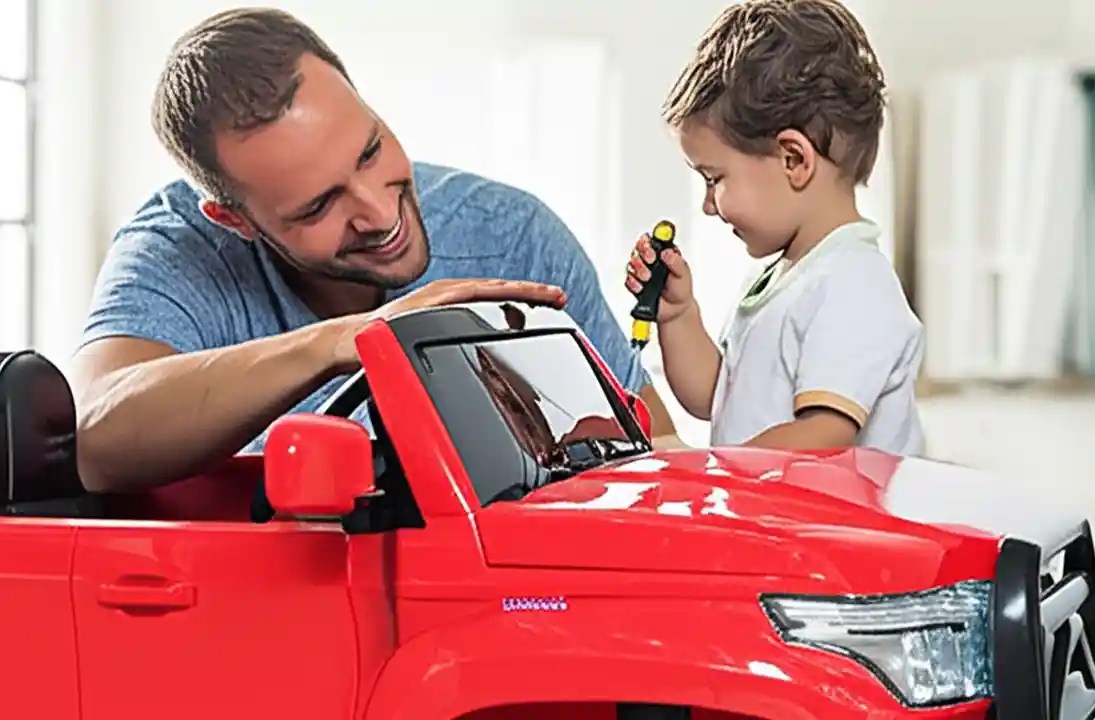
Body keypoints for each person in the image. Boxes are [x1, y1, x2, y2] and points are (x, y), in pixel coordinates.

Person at [69, 8, 679, 493]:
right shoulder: (180, 249)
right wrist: (349, 340)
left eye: (369, 151)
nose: (381, 214)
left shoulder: (512, 237)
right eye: (318, 206)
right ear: (235, 220)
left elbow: (657, 457)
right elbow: (97, 438)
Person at [624, 0, 924, 456]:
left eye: (714, 179)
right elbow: (715, 399)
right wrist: (678, 315)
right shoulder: (782, 277)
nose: (708, 206)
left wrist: (713, 472)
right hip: (780, 518)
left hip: (843, 526)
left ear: (794, 160)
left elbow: (821, 436)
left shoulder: (853, 283)